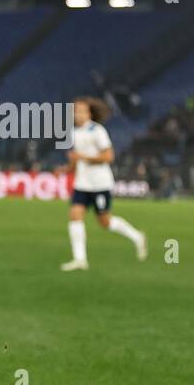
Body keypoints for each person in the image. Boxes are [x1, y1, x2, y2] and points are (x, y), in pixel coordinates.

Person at [58, 96, 147, 271]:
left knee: (105, 222)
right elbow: (77, 159)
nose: (78, 114)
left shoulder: (97, 131)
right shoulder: (75, 132)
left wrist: (83, 157)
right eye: (75, 111)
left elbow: (108, 156)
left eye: (81, 111)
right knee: (75, 214)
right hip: (82, 183)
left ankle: (137, 236)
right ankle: (80, 259)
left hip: (99, 184)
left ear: (89, 113)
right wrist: (66, 168)